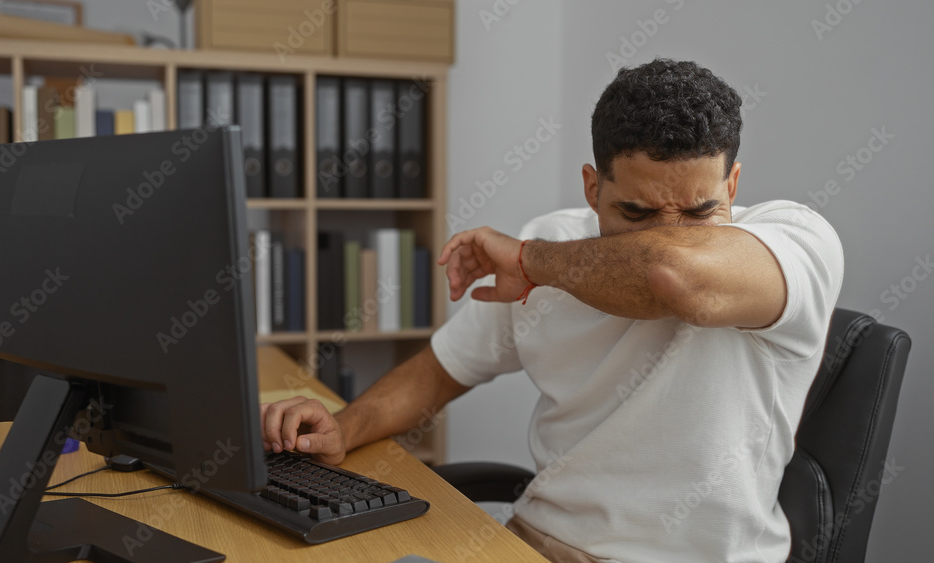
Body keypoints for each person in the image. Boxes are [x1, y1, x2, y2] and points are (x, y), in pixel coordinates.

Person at [260, 58, 843, 563]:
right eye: (636, 213)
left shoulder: (797, 242)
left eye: (699, 212)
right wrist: (343, 429)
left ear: (733, 184)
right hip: (534, 541)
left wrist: (529, 259)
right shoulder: (557, 241)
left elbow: (671, 276)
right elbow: (439, 371)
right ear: (592, 188)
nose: (668, 233)